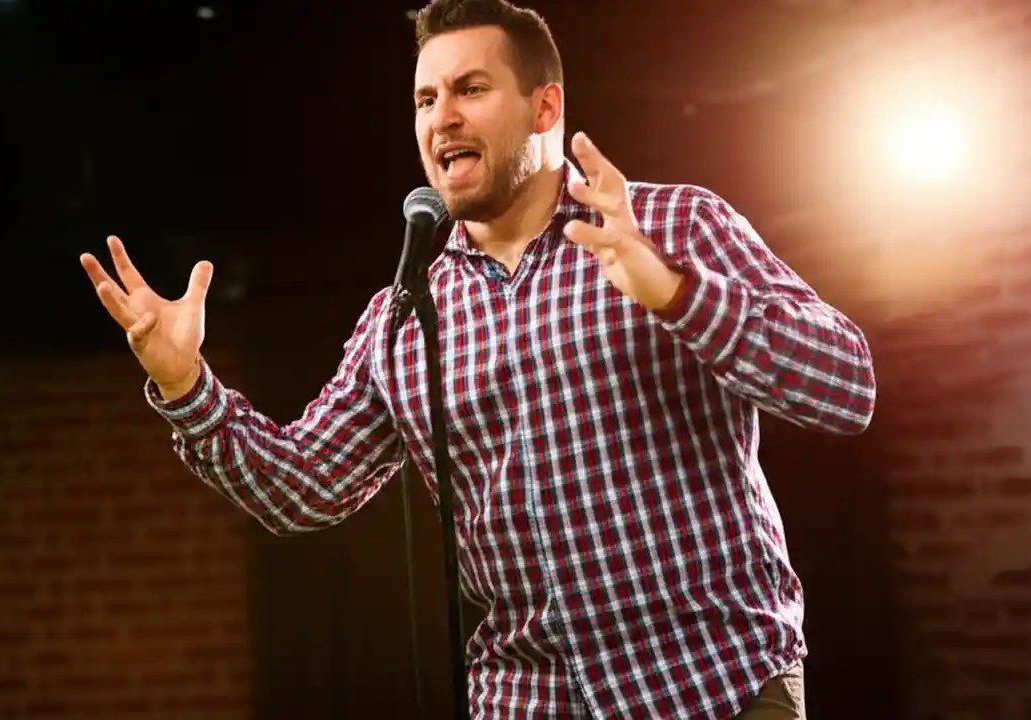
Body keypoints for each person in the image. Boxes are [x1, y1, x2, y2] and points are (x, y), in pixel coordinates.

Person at [79, 0, 876, 717]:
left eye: (470, 89)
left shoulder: (673, 226)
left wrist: (672, 292)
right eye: (426, 99)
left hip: (715, 688)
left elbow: (845, 387)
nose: (443, 118)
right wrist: (184, 383)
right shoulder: (405, 316)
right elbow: (305, 487)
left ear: (544, 106)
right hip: (526, 700)